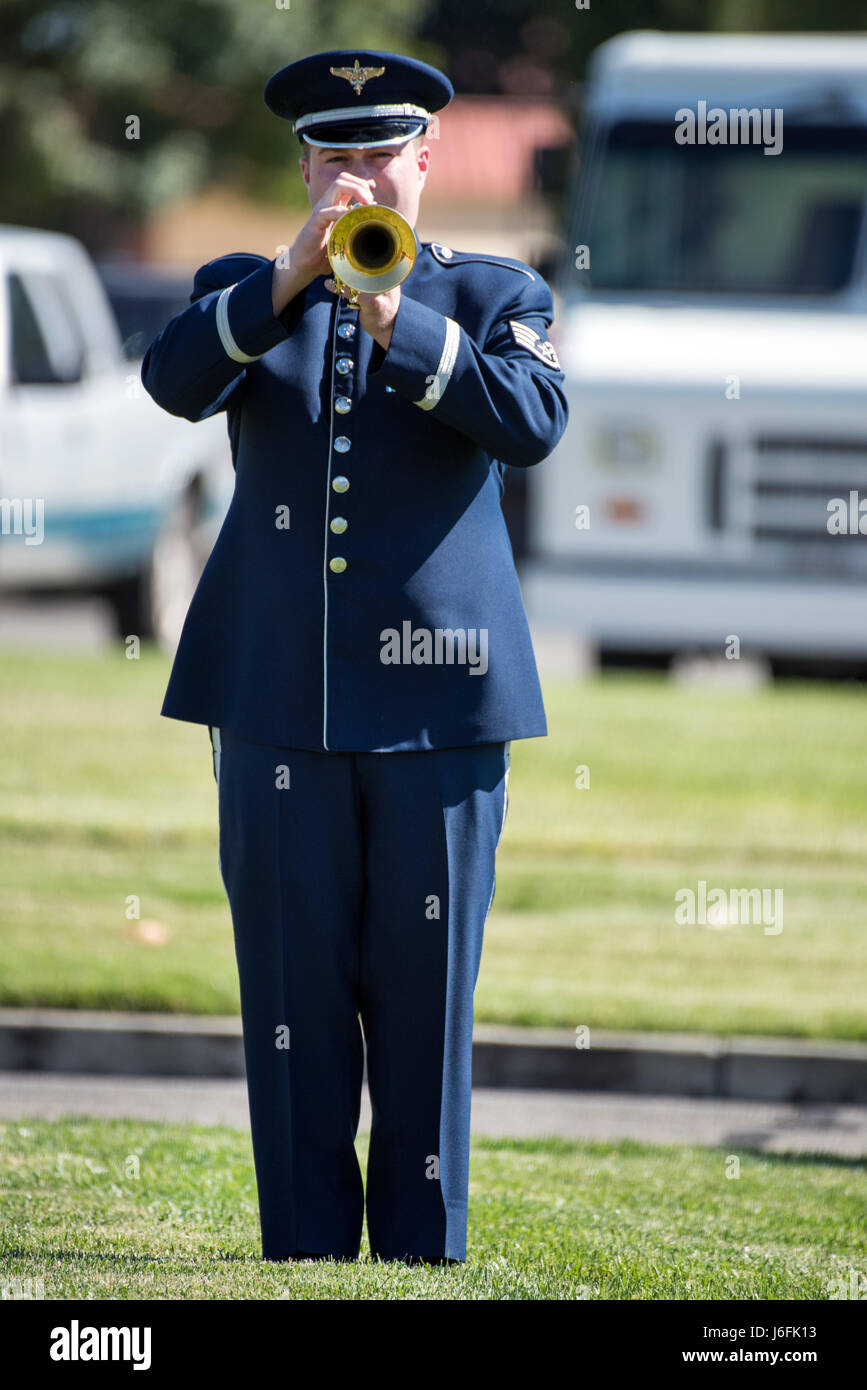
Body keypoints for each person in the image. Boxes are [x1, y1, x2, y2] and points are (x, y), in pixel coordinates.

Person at [140, 47, 568, 1266]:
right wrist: (291, 274)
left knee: (427, 994)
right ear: (306, 166)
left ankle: (424, 1252)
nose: (358, 176)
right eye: (336, 156)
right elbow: (172, 380)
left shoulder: (496, 295)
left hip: (443, 705)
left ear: (425, 163)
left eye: (381, 154)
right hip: (278, 698)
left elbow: (531, 424)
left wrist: (397, 320)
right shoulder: (247, 293)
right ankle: (307, 1251)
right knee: (292, 998)